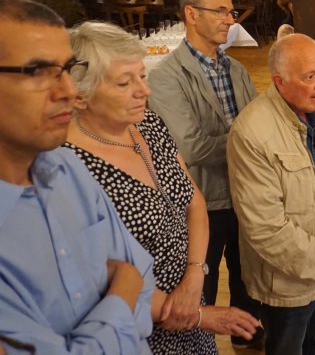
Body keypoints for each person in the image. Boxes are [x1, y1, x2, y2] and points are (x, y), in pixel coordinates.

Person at [65, 21, 259, 353]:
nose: (144, 91)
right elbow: (93, 277)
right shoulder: (68, 167)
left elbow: (193, 201)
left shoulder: (148, 124)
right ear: (79, 96)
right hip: (136, 324)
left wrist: (196, 275)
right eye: (125, 83)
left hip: (190, 299)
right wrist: (192, 313)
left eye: (142, 75)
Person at [0, 0, 155, 352]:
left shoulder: (65, 167)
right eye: (39, 72)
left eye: (67, 70)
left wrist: (129, 287)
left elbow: (141, 279)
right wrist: (122, 291)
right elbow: (131, 282)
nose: (69, 92)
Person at [227, 33, 315, 355]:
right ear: (280, 82)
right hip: (289, 284)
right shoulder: (251, 133)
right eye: (309, 76)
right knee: (288, 348)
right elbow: (266, 229)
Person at [147, 0, 264, 349]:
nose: (229, 19)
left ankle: (246, 333)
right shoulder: (166, 77)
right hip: (204, 201)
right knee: (203, 279)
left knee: (248, 275)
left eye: (231, 12)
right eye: (220, 11)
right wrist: (252, 145)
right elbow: (193, 148)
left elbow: (261, 123)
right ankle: (200, 342)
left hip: (245, 194)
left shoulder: (236, 70)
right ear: (191, 14)